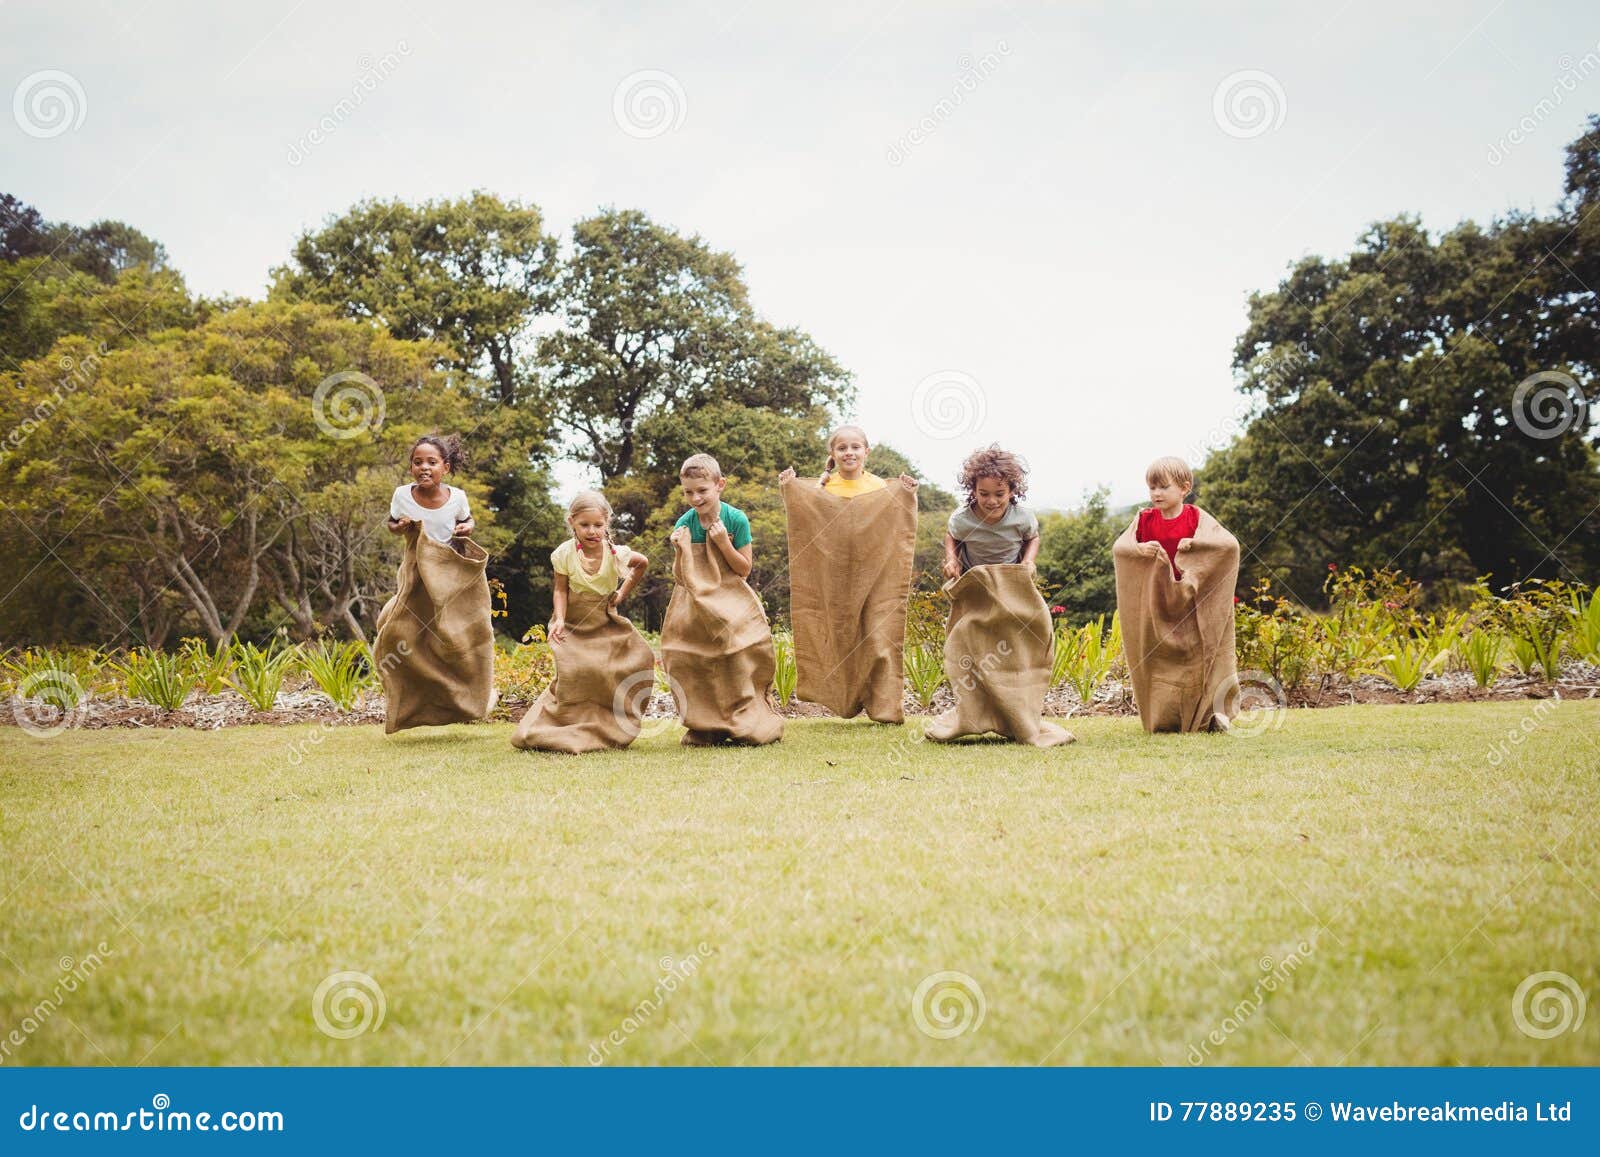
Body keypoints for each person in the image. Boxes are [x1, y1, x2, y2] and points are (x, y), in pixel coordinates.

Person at [548, 490, 648, 644]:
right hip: (572, 621)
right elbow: (560, 590)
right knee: (570, 663)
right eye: (584, 525)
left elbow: (642, 562)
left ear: (606, 523)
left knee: (623, 659)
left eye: (598, 525)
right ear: (571, 522)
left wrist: (621, 593)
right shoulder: (563, 554)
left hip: (605, 620)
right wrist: (559, 619)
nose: (592, 531)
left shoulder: (615, 554)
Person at [942, 444, 1040, 578]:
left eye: (999, 494)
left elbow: (1033, 537)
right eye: (984, 494)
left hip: (1011, 579)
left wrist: (1028, 561)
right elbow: (952, 536)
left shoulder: (1023, 518)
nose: (992, 501)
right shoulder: (962, 518)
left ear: (1011, 491)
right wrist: (952, 559)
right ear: (974, 491)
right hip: (973, 578)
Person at [670, 453, 753, 579]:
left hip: (730, 594)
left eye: (702, 490)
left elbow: (744, 570)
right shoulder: (683, 524)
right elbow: (680, 578)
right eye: (688, 492)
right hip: (696, 595)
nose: (695, 498)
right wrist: (679, 551)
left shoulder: (737, 520)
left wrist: (724, 543)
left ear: (720, 485)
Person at [388, 434, 474, 554]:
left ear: (445, 468)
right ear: (411, 468)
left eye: (432, 463)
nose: (424, 467)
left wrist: (468, 527)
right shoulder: (402, 494)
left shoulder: (457, 497)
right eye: (417, 463)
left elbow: (467, 520)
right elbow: (392, 522)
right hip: (415, 564)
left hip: (447, 564)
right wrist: (399, 528)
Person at [779, 424, 918, 497]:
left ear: (866, 452)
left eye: (856, 447)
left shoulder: (880, 485)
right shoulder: (822, 487)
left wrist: (906, 491)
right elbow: (804, 515)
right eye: (842, 448)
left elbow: (893, 518)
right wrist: (788, 486)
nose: (849, 453)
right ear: (833, 454)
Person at [1135, 455, 1199, 578]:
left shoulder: (1196, 516)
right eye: (1152, 488)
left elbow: (1220, 545)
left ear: (1184, 488)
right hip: (1155, 590)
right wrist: (1139, 549)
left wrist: (1196, 543)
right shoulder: (1143, 518)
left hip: (1190, 591)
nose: (1156, 493)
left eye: (1164, 487)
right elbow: (1123, 548)